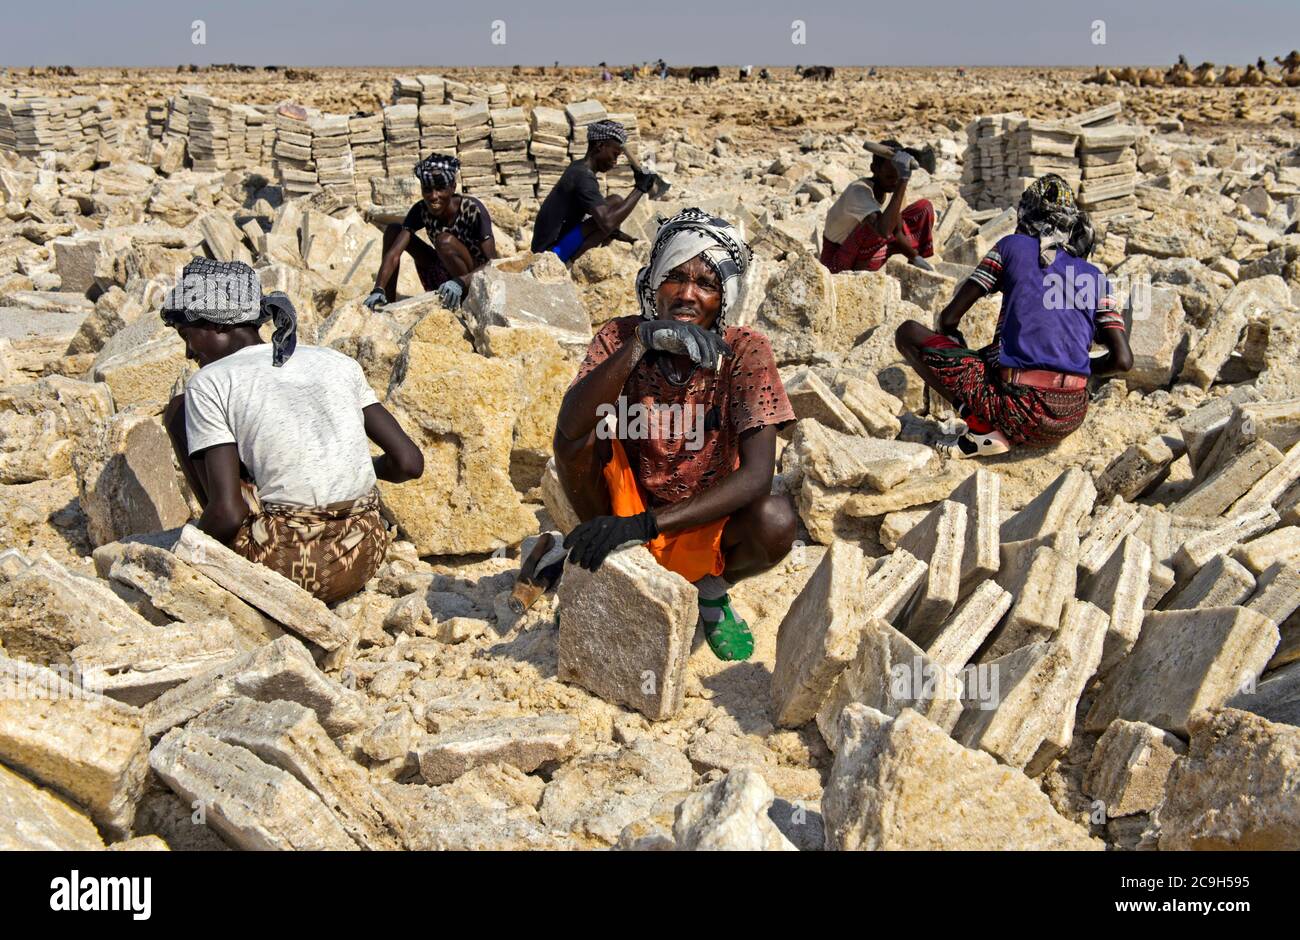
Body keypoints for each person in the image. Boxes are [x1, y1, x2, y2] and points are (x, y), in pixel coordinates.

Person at [552, 209, 799, 661]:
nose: (687, 294)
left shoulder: (745, 350)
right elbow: (569, 428)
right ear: (653, 282)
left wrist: (647, 526)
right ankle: (604, 561)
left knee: (777, 520)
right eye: (674, 277)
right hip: (625, 503)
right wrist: (643, 343)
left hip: (701, 514)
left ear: (724, 296)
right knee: (579, 439)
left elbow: (758, 475)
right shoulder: (621, 335)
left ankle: (711, 589)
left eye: (706, 284)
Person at [161, 259, 425, 604]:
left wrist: (188, 554)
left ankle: (223, 550)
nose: (188, 351)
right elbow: (409, 463)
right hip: (363, 553)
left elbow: (228, 511)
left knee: (177, 412)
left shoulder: (210, 382)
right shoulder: (336, 362)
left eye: (187, 335)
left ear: (215, 324)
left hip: (283, 565)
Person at [893, 174, 1132, 458]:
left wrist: (957, 346)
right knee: (998, 354)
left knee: (908, 333)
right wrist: (1076, 368)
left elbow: (949, 319)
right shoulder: (1095, 276)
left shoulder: (1012, 246)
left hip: (1018, 411)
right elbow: (1122, 360)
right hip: (1070, 416)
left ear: (1027, 212)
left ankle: (979, 428)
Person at [364, 154, 496, 312]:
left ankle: (463, 300)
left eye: (440, 189)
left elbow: (492, 264)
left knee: (444, 241)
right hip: (441, 277)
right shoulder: (421, 210)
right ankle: (385, 302)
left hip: (470, 280)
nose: (433, 196)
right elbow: (394, 253)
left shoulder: (473, 210)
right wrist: (378, 288)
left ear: (453, 187)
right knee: (393, 230)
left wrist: (461, 282)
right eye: (427, 190)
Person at [531, 120, 661, 264]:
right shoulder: (584, 177)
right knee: (606, 221)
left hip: (558, 241)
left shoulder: (578, 167)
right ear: (600, 146)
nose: (615, 162)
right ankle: (573, 263)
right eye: (614, 155)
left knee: (615, 200)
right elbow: (607, 222)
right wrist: (640, 189)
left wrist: (626, 238)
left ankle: (605, 244)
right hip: (551, 254)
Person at [819, 140, 936, 273]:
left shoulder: (892, 191)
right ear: (874, 169)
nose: (895, 182)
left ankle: (914, 271)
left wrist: (916, 258)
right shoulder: (858, 191)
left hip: (863, 251)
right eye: (890, 177)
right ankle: (860, 279)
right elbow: (884, 230)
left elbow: (896, 231)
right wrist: (904, 179)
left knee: (923, 208)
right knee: (874, 227)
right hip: (836, 263)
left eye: (898, 177)